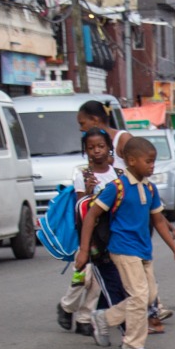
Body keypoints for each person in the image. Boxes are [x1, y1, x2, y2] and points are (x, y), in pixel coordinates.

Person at [78, 137, 175, 349]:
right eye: (148, 161)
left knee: (149, 297)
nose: (152, 166)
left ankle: (104, 318)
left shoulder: (149, 187)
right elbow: (91, 216)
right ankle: (132, 346)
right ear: (131, 160)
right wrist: (83, 250)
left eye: (153, 162)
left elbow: (158, 221)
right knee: (138, 296)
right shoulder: (116, 187)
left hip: (144, 249)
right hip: (123, 249)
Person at [58, 128, 123, 335]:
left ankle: (85, 319)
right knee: (83, 277)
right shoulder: (83, 175)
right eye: (91, 148)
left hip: (110, 235)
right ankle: (66, 306)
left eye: (101, 146)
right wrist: (87, 191)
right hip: (89, 236)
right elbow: (81, 207)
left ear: (109, 148)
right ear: (85, 151)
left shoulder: (118, 175)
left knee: (97, 282)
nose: (97, 151)